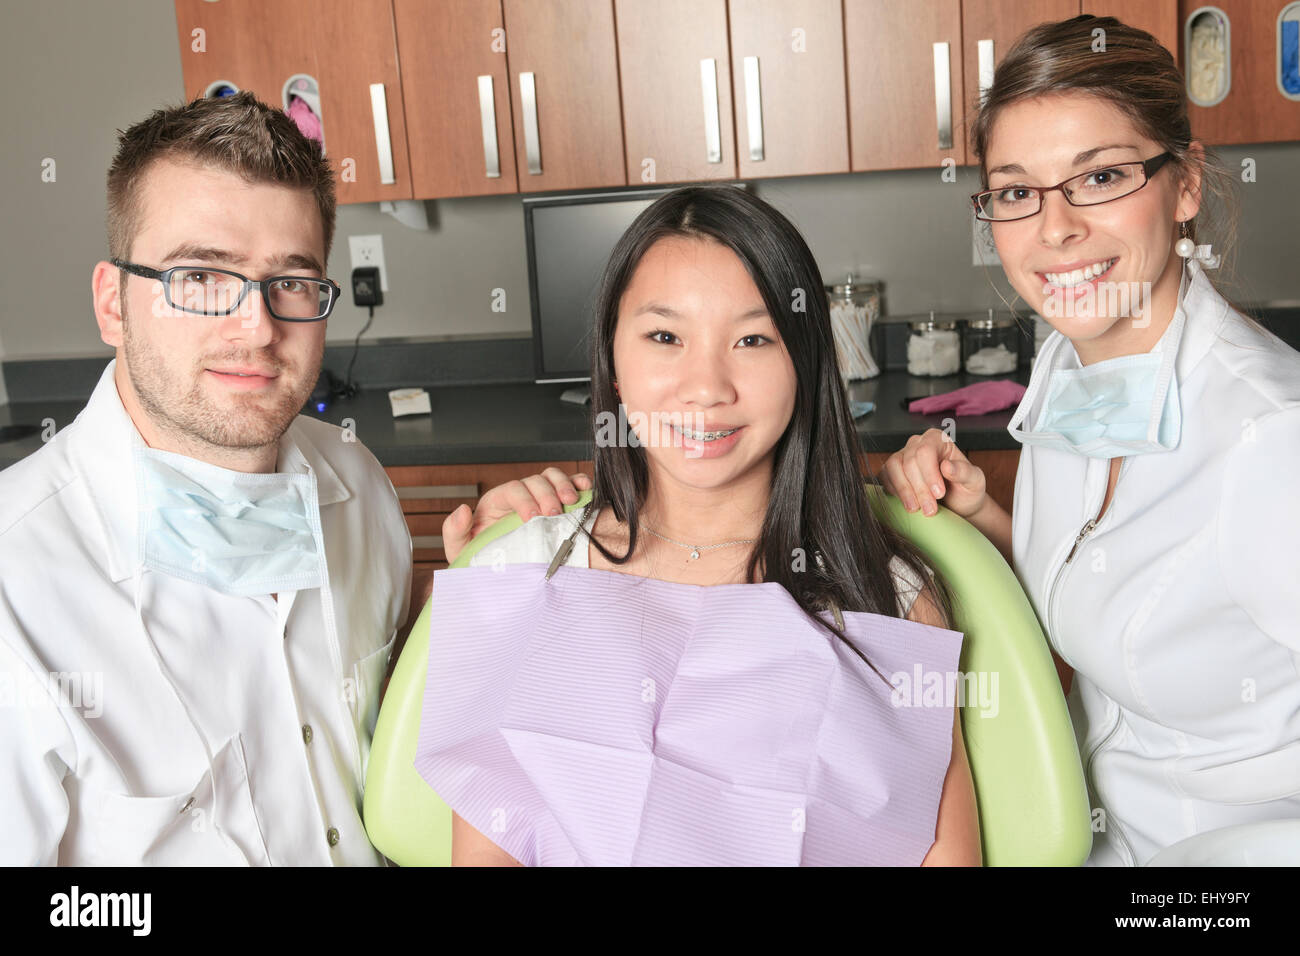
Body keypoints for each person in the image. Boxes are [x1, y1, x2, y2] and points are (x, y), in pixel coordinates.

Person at [0, 92, 582, 865]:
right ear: (114, 302)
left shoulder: (358, 483)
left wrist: (474, 599)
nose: (257, 328)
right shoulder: (17, 583)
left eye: (292, 281)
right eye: (201, 277)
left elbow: (382, 747)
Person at [411, 185, 982, 866]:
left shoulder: (885, 598)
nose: (706, 385)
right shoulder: (526, 574)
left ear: (804, 362)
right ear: (613, 362)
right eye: (664, 336)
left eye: (752, 338)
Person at [879, 16, 1300, 866]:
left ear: (1183, 185)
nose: (1055, 228)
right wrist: (984, 521)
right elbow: (1105, 586)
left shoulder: (1270, 438)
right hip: (1091, 837)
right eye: (1015, 190)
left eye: (1100, 176)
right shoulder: (1072, 365)